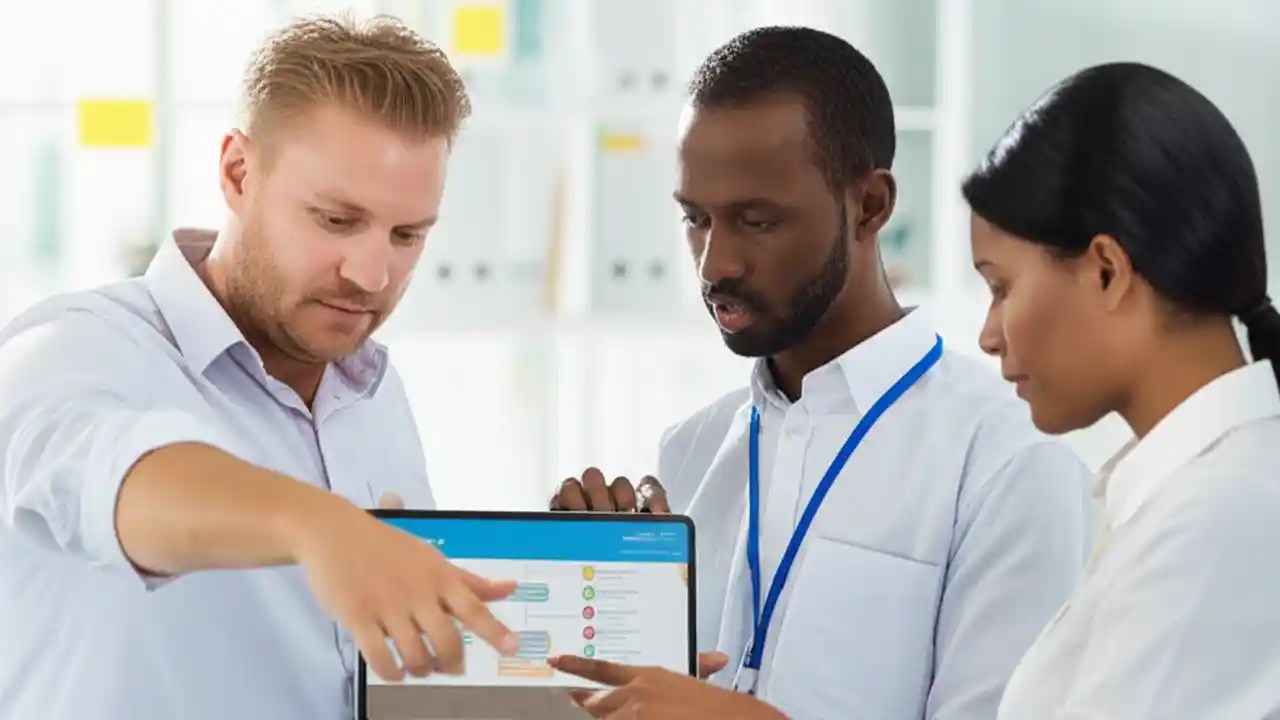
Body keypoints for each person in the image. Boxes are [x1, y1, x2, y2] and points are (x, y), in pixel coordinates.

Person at [552, 26, 1093, 719]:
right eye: (696, 219)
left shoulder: (1010, 463)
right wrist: (607, 613)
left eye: (756, 221)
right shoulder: (689, 450)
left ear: (870, 206)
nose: (716, 264)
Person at [0, 15, 521, 720]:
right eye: (336, 220)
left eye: (406, 235)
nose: (371, 275)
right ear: (238, 173)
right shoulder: (73, 349)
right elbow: (116, 478)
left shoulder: (372, 392)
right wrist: (320, 526)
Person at [963, 63, 1280, 718]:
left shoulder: (1220, 514)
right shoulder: (1199, 492)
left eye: (1001, 287)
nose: (989, 336)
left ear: (1107, 270)